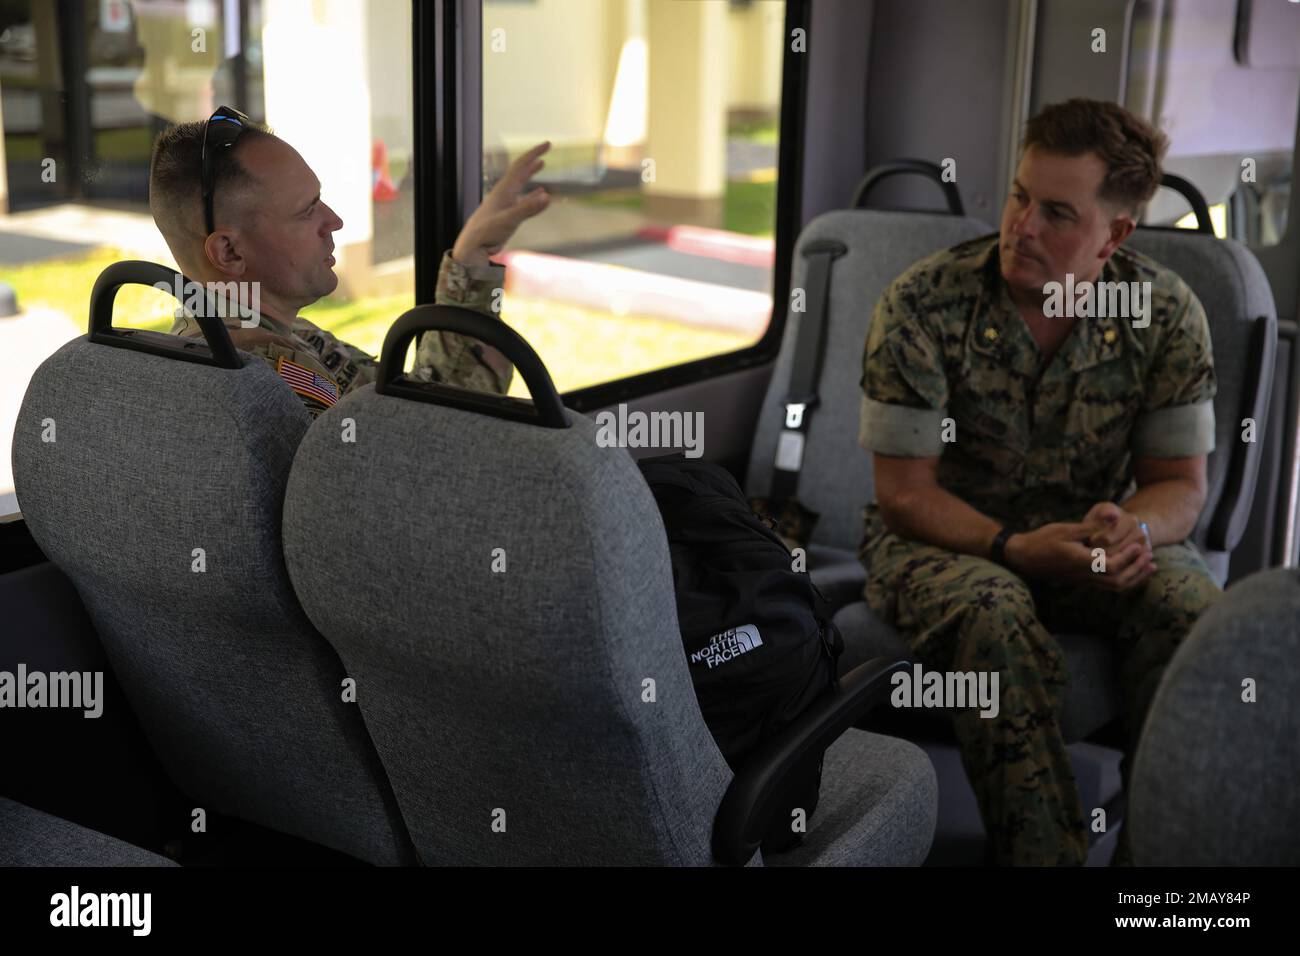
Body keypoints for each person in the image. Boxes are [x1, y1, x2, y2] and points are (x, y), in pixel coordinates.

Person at [857, 98, 1220, 865]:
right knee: (995, 608)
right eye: (1020, 196)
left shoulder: (1163, 313)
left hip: (1087, 539)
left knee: (1194, 607)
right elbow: (904, 493)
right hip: (940, 540)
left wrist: (1136, 532)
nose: (1022, 227)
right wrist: (1013, 547)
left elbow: (1180, 485)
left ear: (1115, 234)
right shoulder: (923, 304)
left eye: (1058, 213)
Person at [147, 106, 551, 415]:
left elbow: (423, 405)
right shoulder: (266, 372)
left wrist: (470, 257)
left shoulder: (279, 337)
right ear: (229, 252)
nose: (334, 221)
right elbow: (425, 456)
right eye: (306, 211)